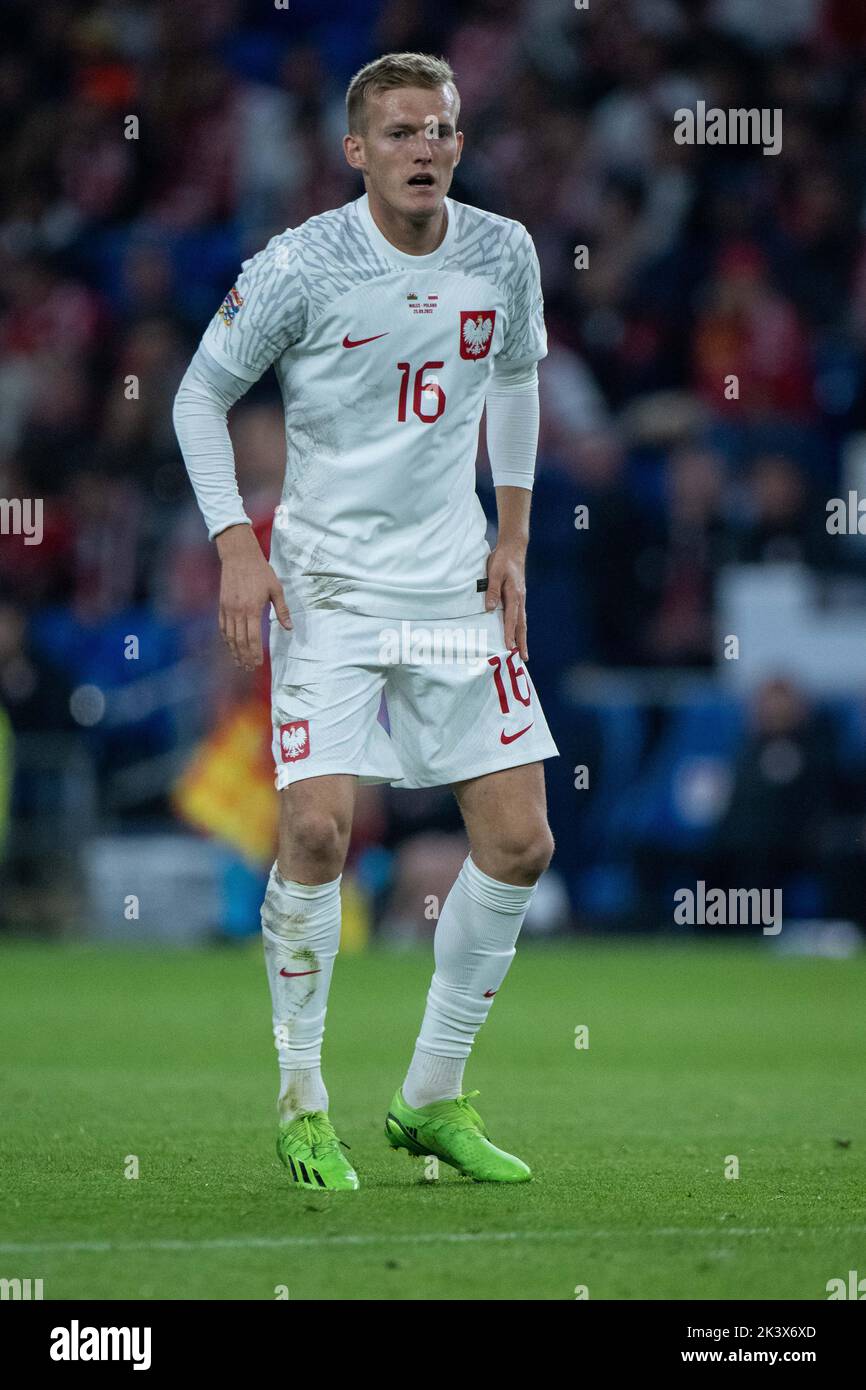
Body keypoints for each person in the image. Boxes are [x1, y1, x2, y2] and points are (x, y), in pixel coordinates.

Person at [173, 52, 559, 1191]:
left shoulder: (504, 252)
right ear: (355, 151)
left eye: (438, 129)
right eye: (398, 133)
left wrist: (514, 534)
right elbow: (198, 394)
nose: (423, 149)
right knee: (313, 835)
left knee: (521, 839)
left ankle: (429, 1099)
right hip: (330, 589)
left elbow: (518, 378)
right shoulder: (300, 265)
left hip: (449, 588)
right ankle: (302, 1103)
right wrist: (233, 544)